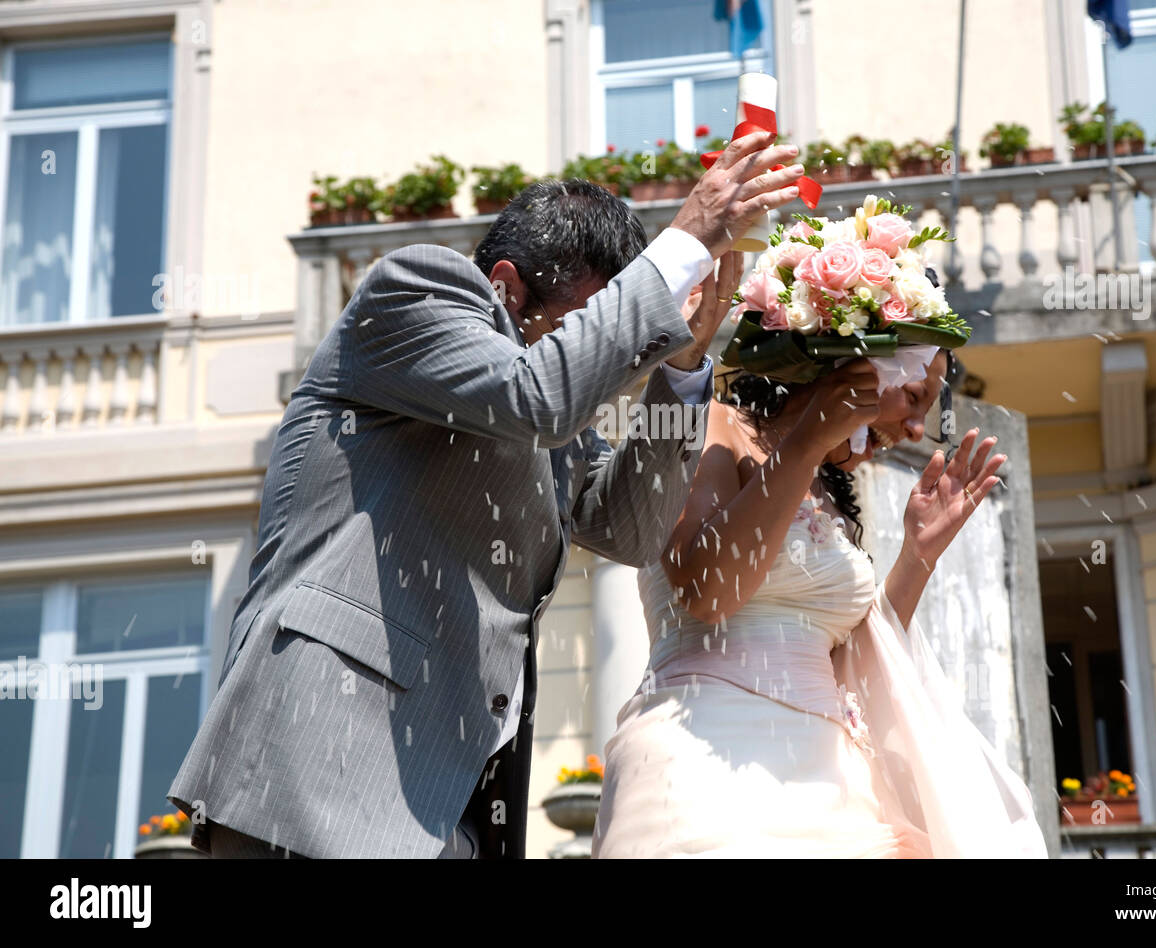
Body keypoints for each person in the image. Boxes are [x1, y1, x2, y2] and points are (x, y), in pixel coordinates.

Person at [167, 131, 808, 858]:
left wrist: (685, 364)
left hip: (450, 807)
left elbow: (626, 530)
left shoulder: (549, 406)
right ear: (507, 285)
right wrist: (687, 231)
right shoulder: (416, 289)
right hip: (316, 769)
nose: (599, 353)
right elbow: (539, 396)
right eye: (582, 322)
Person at [592, 348, 1050, 857]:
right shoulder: (710, 424)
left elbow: (847, 662)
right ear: (854, 360)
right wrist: (809, 436)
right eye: (916, 396)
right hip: (702, 757)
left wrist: (919, 555)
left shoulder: (829, 489)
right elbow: (708, 591)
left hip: (833, 781)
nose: (919, 429)